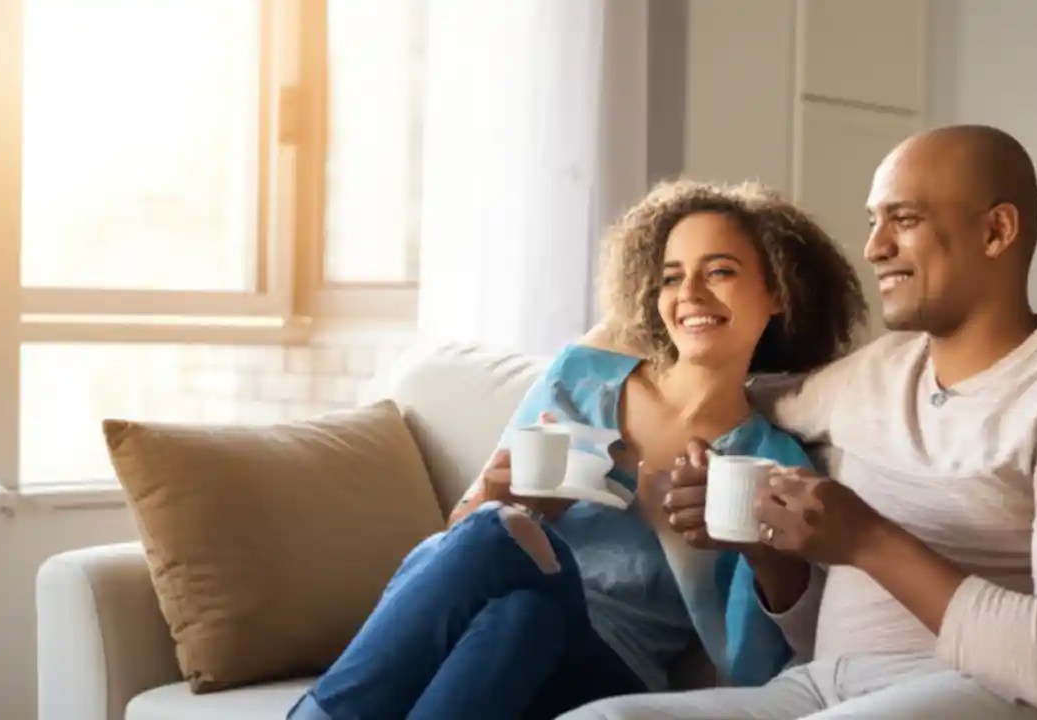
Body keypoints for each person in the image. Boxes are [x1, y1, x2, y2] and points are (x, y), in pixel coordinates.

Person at [564, 125, 1037, 720]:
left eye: (903, 220)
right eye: (873, 222)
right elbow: (732, 389)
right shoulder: (873, 376)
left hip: (988, 693)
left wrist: (868, 541)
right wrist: (761, 542)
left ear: (996, 230)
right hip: (827, 686)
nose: (875, 247)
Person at [287, 180, 869, 720]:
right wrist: (501, 495)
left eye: (719, 272)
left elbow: (759, 665)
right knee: (517, 588)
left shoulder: (765, 460)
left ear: (778, 293)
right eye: (670, 276)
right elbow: (459, 540)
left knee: (506, 544)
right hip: (514, 631)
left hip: (611, 666)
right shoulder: (581, 378)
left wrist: (737, 547)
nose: (689, 293)